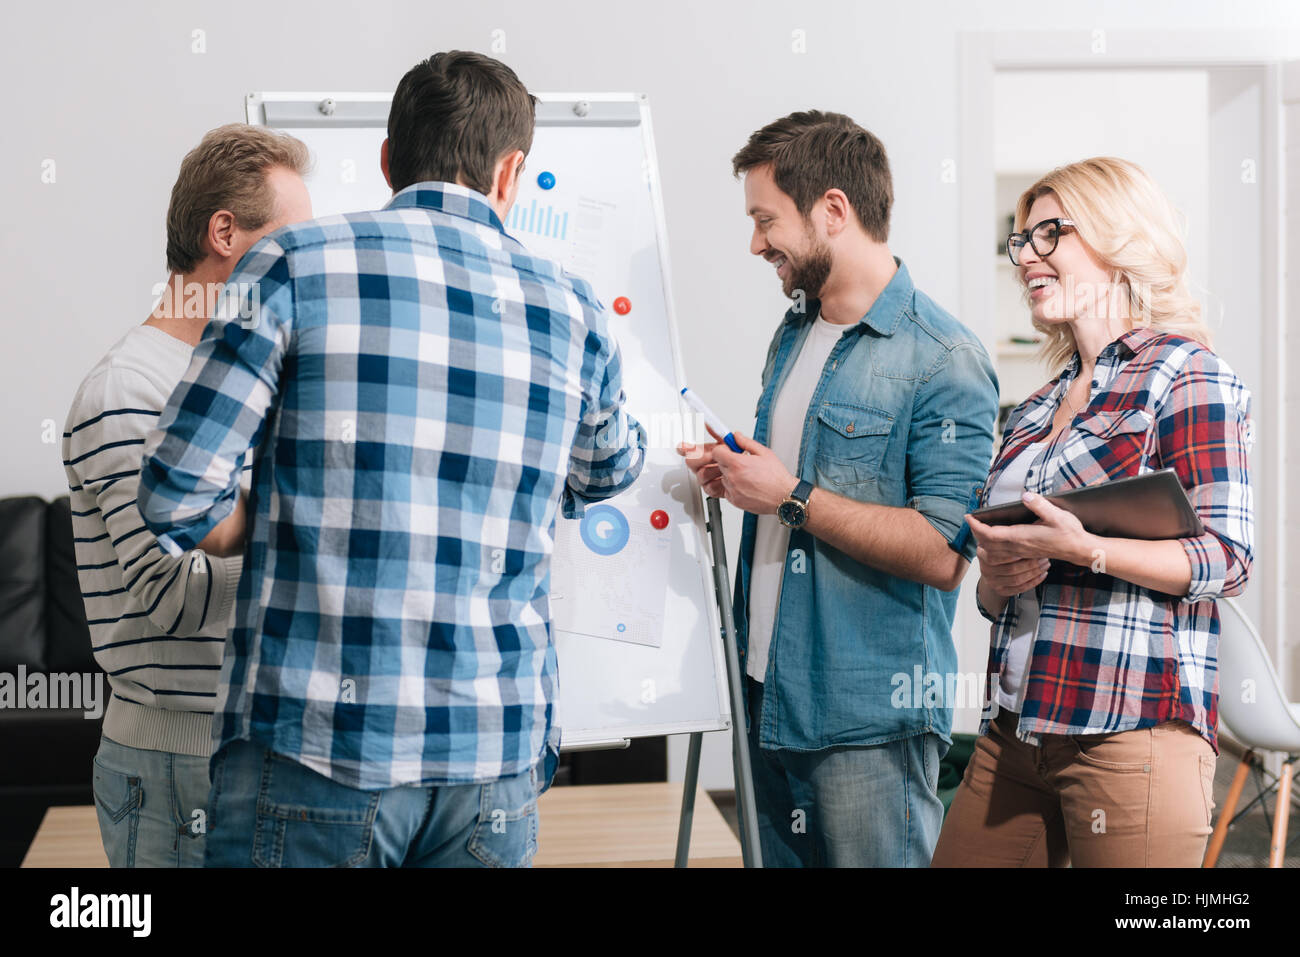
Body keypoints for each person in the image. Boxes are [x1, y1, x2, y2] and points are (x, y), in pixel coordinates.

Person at [136, 51, 646, 868]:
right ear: (510, 172)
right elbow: (610, 470)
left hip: (315, 748)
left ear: (387, 158)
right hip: (492, 759)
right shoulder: (573, 309)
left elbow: (173, 491)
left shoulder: (290, 265)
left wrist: (280, 512)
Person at [679, 111, 999, 867]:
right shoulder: (794, 330)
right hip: (767, 697)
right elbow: (792, 490)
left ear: (832, 209)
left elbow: (945, 553)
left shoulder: (945, 360)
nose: (756, 244)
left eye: (765, 219)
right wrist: (740, 474)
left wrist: (789, 494)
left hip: (865, 722)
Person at [932, 157, 1254, 868]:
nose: (1027, 257)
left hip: (1131, 737)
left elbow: (1227, 558)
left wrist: (1089, 550)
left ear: (1120, 241)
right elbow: (993, 591)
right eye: (1020, 241)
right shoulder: (1037, 406)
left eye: (1050, 233)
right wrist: (997, 578)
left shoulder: (1185, 372)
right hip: (1013, 732)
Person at [62, 124, 312, 866]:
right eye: (290, 241)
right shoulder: (126, 389)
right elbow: (170, 599)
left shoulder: (245, 378)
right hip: (174, 768)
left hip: (250, 749)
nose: (303, 265)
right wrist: (316, 552)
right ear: (224, 233)